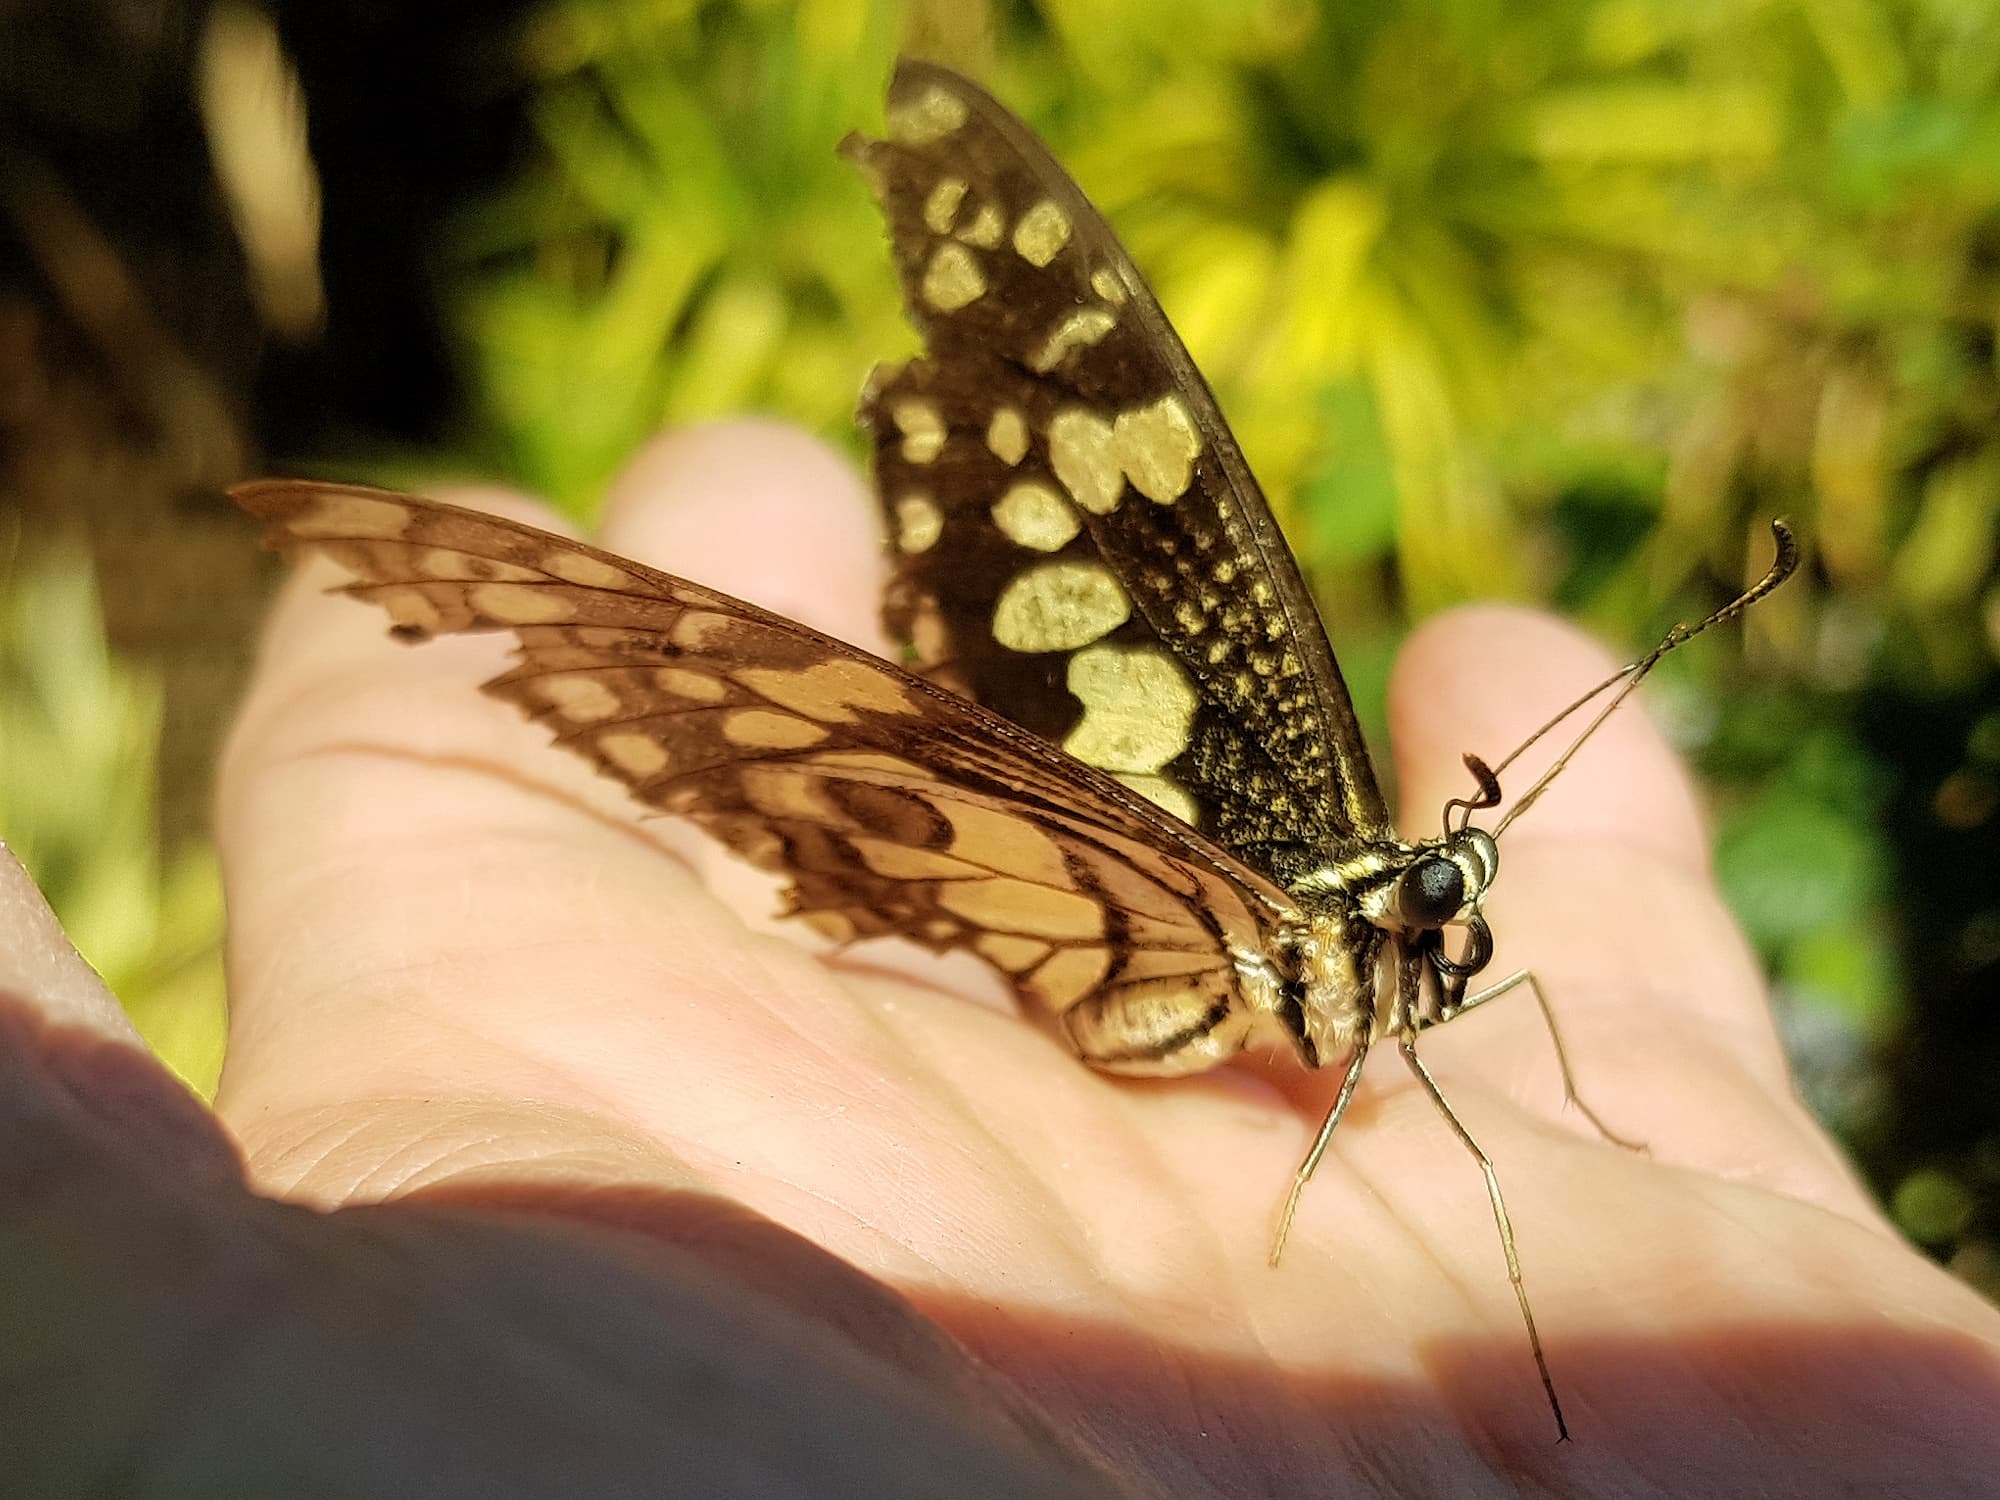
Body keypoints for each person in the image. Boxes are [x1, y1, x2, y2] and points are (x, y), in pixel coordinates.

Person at [5, 421, 1996, 1497]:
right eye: (1430, 904)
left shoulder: (1423, 947)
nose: (1452, 935)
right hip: (1091, 934)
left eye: (1442, 914)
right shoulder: (1294, 897)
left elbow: (1501, 985)